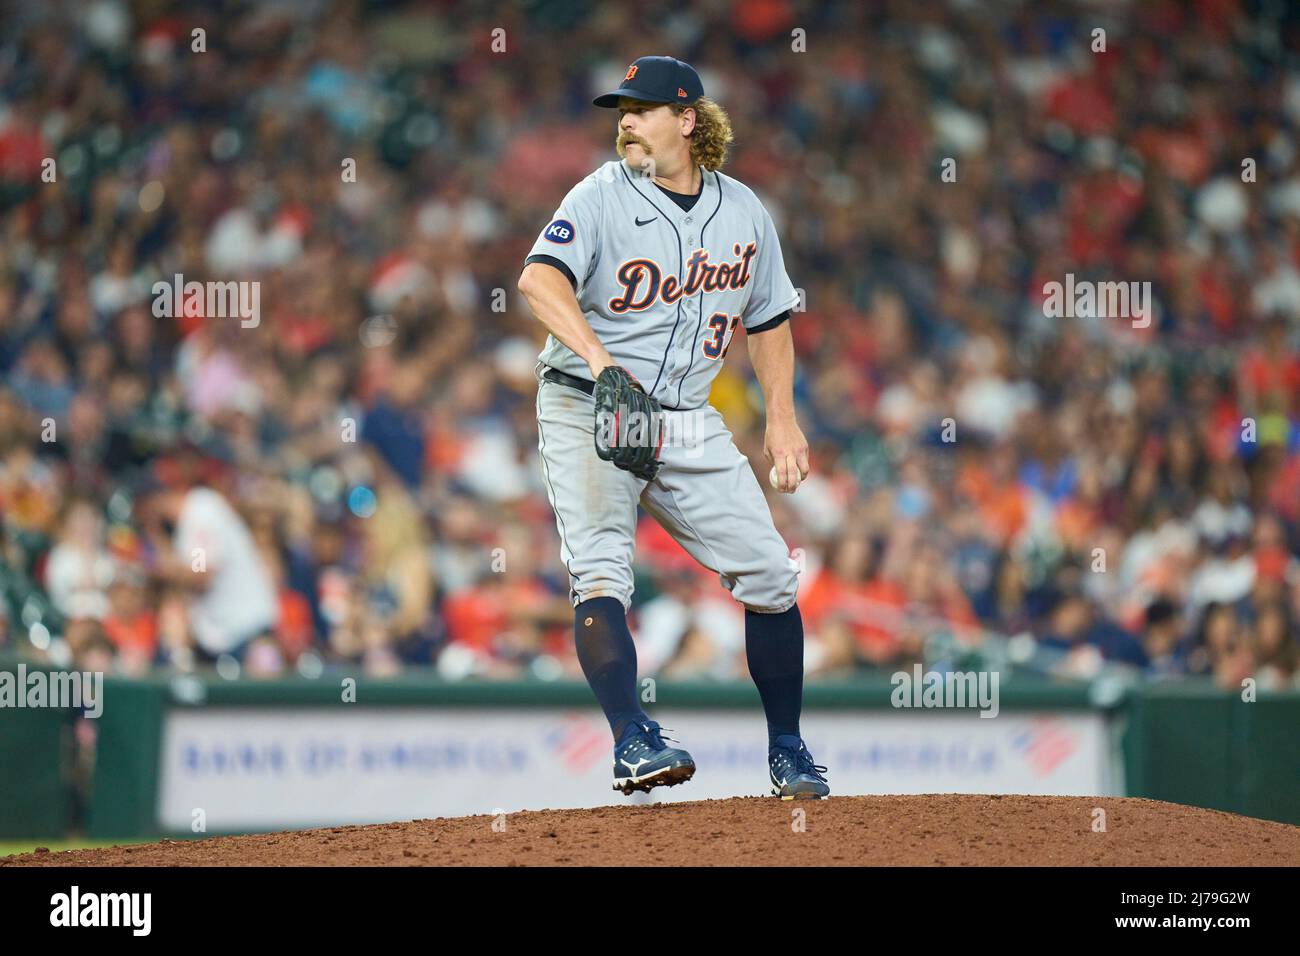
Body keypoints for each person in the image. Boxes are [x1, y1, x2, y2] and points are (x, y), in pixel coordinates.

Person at [517, 56, 828, 799]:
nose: (625, 119)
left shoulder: (745, 211)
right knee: (600, 572)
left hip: (685, 415)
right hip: (586, 402)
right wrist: (598, 362)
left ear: (687, 120)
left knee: (770, 577)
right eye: (620, 108)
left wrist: (782, 421)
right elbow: (539, 278)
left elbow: (771, 319)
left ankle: (787, 749)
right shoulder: (598, 195)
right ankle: (631, 739)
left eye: (643, 107)